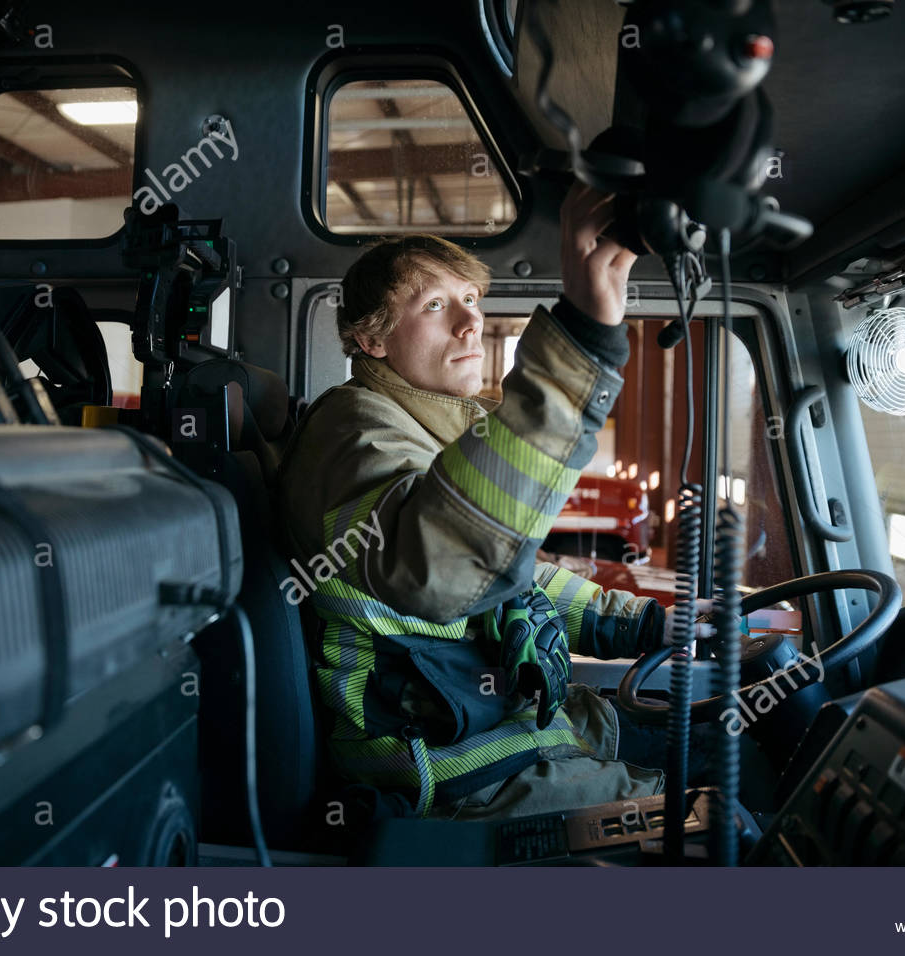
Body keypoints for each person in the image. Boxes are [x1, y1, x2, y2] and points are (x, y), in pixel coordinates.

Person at [278, 183, 711, 821]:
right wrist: (580, 343)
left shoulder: (421, 425)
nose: (470, 320)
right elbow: (437, 565)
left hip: (522, 730)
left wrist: (641, 623)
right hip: (453, 767)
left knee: (727, 746)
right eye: (434, 304)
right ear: (372, 340)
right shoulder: (354, 433)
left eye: (472, 299)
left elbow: (512, 576)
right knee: (726, 828)